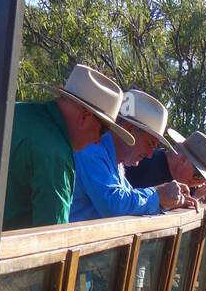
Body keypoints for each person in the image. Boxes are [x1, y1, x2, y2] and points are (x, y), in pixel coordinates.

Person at [2, 63, 135, 232]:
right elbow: (52, 239)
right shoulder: (57, 155)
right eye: (102, 131)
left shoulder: (15, 110)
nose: (98, 141)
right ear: (85, 118)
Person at [70, 89, 195, 221]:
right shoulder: (93, 151)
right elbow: (113, 205)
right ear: (129, 129)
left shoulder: (115, 162)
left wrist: (168, 201)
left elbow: (127, 198)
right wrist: (159, 196)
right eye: (150, 144)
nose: (150, 154)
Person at [126, 127, 206, 219]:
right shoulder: (141, 165)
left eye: (204, 180)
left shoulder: (183, 177)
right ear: (183, 160)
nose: (201, 184)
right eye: (199, 176)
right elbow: (129, 207)